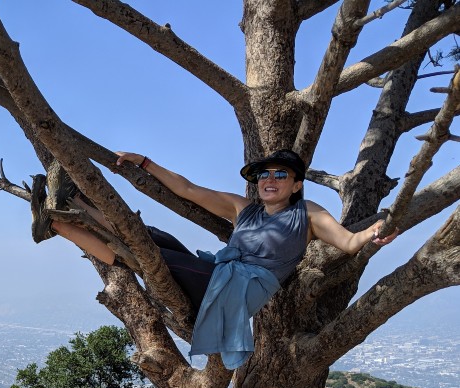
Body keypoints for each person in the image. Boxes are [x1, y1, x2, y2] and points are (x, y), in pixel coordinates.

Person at [30, 149, 399, 369]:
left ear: (296, 184)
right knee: (151, 237)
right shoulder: (243, 207)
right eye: (264, 175)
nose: (270, 179)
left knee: (146, 255)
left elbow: (349, 242)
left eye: (281, 175)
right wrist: (146, 162)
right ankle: (70, 208)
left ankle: (59, 225)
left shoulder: (309, 215)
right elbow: (189, 189)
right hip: (216, 275)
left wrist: (373, 234)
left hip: (235, 293)